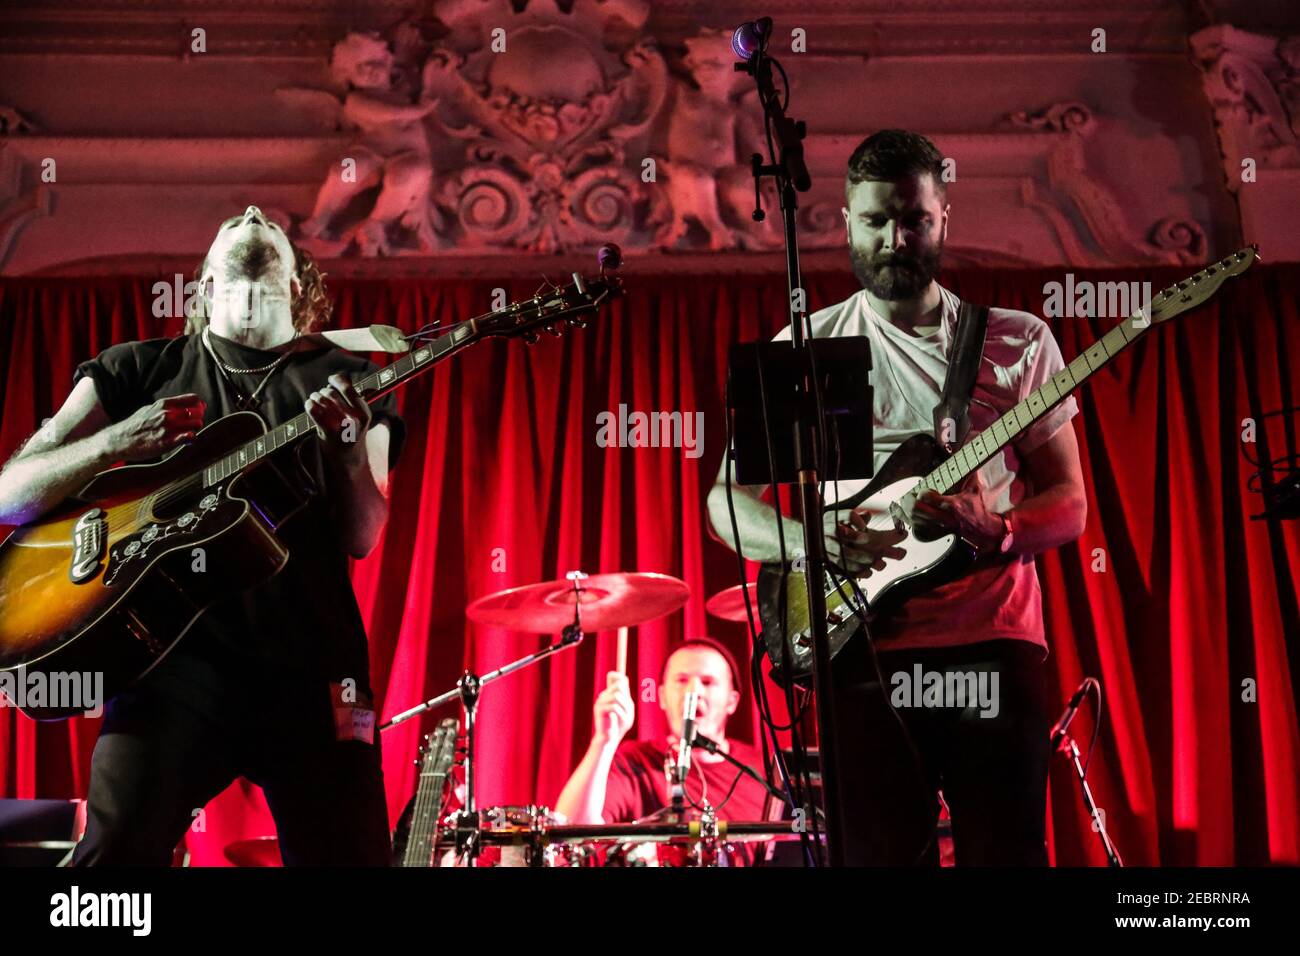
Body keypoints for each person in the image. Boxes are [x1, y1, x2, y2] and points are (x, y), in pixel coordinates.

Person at [707, 129, 1088, 865]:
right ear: (846, 222)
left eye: (913, 217)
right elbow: (726, 502)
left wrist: (1000, 530)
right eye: (876, 220)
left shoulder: (1016, 341)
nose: (894, 236)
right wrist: (807, 542)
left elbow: (1069, 503)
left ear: (944, 217)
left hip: (993, 646)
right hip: (865, 653)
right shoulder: (807, 345)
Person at [0, 205, 406, 865]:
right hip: (166, 670)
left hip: (313, 669)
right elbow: (10, 496)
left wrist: (349, 450)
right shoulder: (137, 369)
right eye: (231, 221)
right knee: (108, 867)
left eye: (271, 220)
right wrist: (114, 442)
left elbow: (362, 535)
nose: (250, 212)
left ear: (298, 286)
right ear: (206, 287)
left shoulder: (354, 379)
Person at [555, 638, 771, 864]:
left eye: (707, 682)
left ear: (732, 701)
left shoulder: (764, 768)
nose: (694, 691)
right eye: (681, 680)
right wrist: (605, 740)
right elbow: (571, 834)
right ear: (661, 696)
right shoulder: (635, 761)